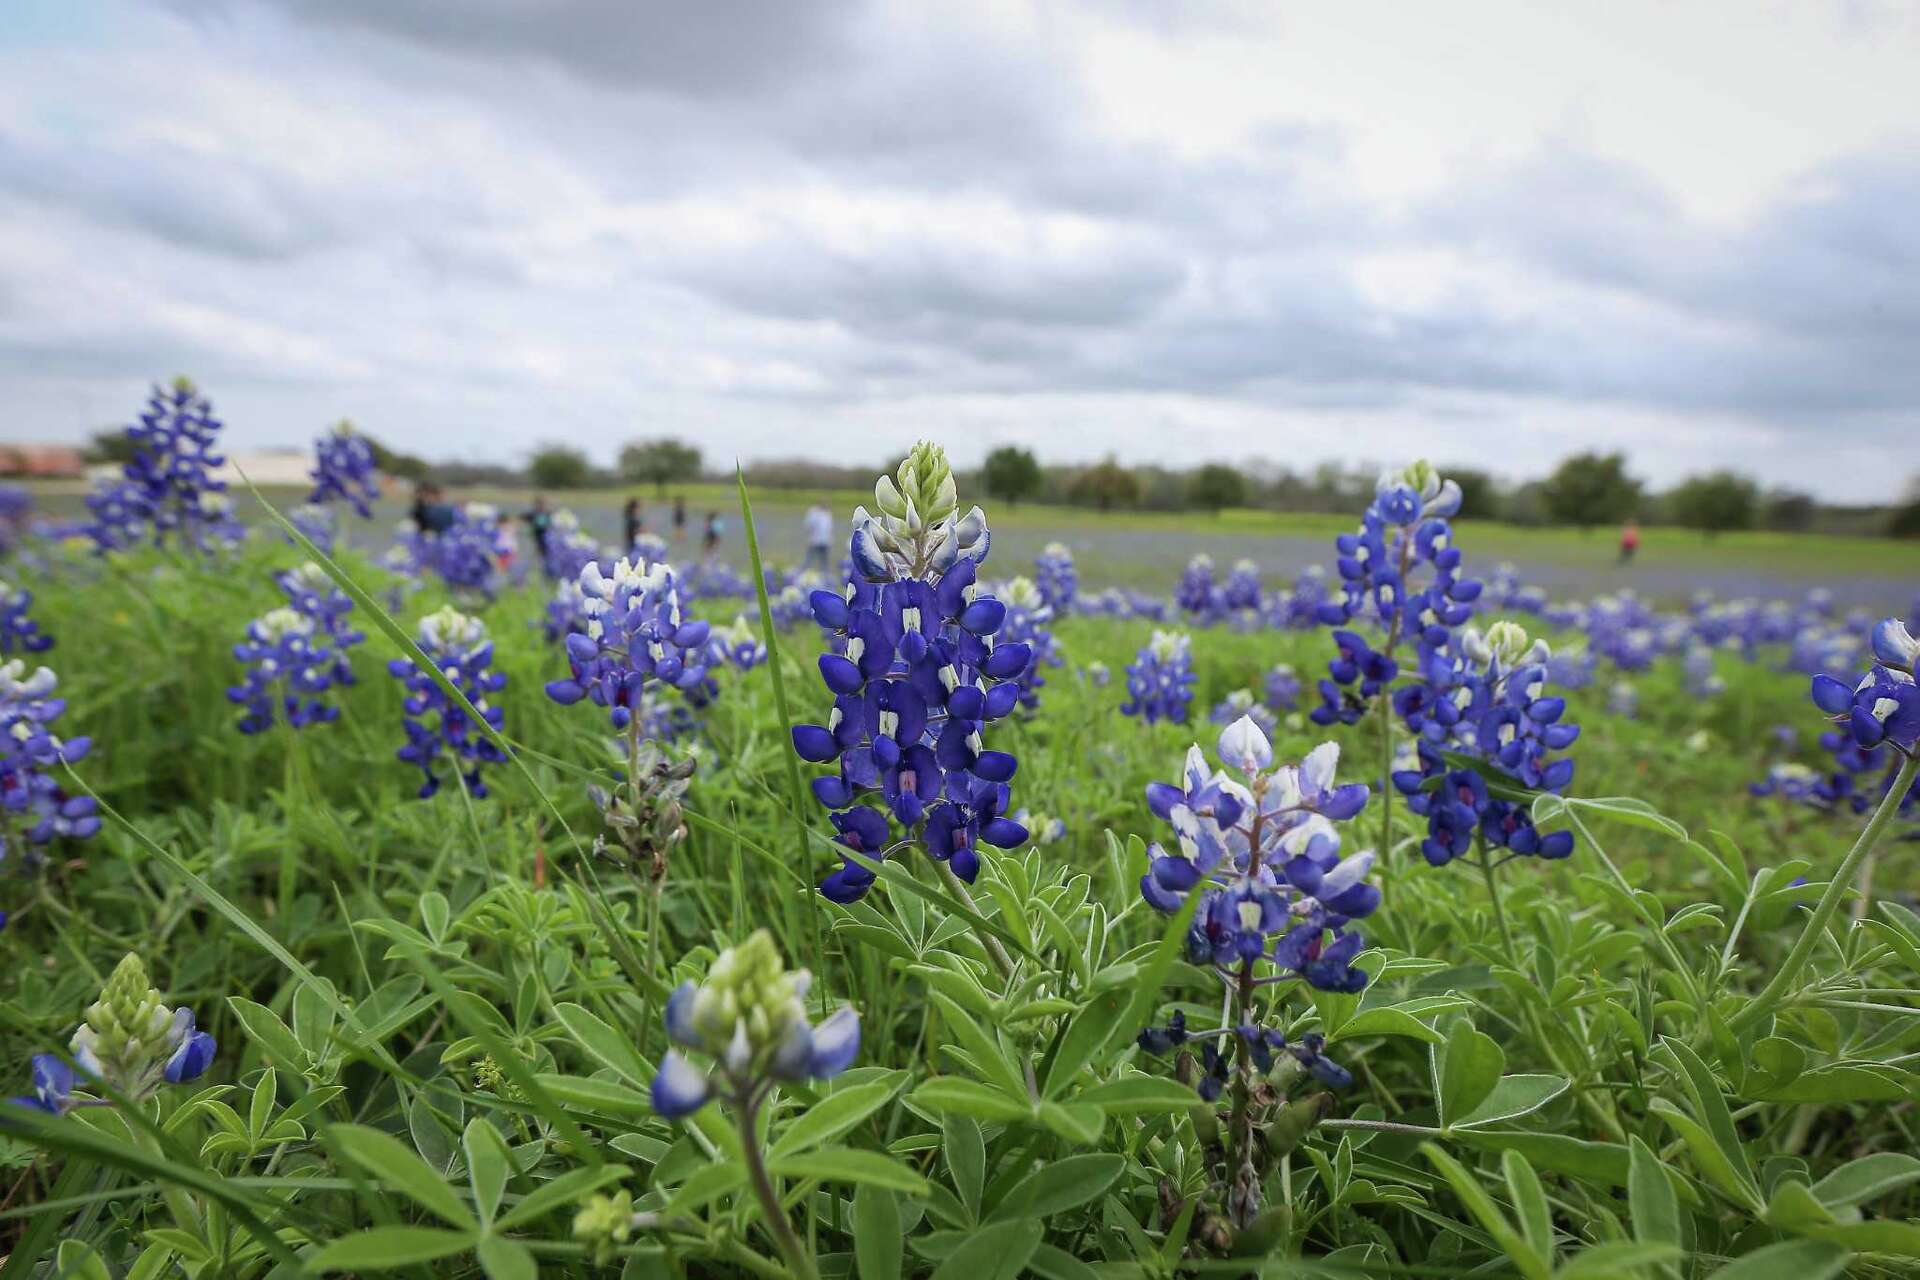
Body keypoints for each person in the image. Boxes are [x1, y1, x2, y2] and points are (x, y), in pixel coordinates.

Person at [803, 501, 833, 573]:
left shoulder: (827, 514)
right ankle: (804, 573)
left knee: (824, 561)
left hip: (824, 542)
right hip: (815, 541)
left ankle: (825, 576)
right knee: (809, 559)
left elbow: (829, 528)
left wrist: (830, 540)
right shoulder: (813, 513)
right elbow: (808, 525)